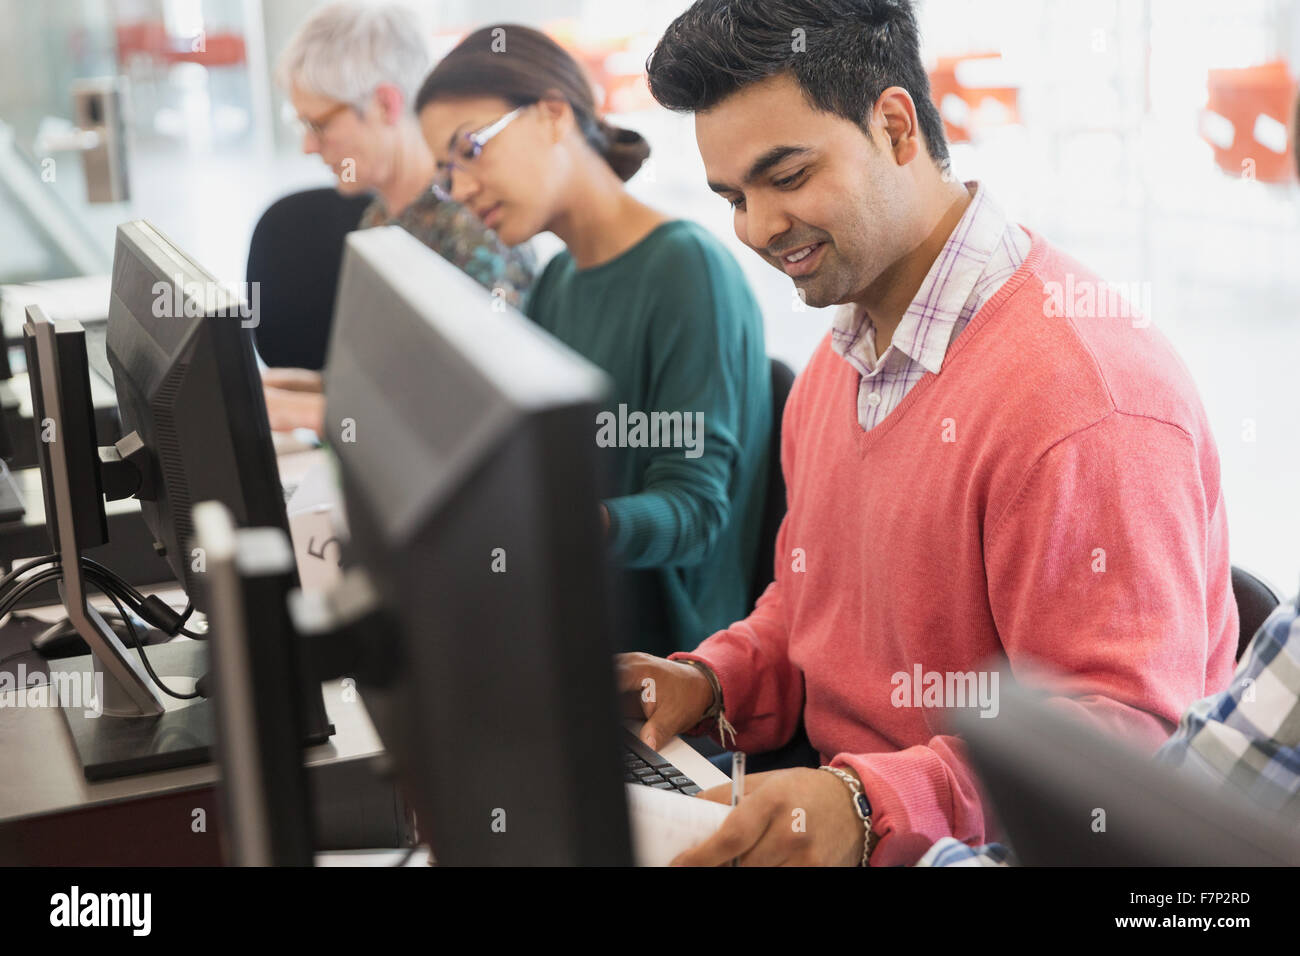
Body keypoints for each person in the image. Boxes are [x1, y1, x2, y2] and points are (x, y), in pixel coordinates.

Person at [619, 0, 1238, 866]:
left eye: (788, 177)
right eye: (734, 198)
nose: (757, 229)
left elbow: (1122, 744)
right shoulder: (846, 353)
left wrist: (866, 805)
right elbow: (812, 606)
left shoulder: (1085, 398)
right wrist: (708, 682)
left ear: (896, 126)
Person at [415, 25, 772, 655]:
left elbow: (696, 514)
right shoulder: (557, 281)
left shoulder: (685, 269)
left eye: (470, 148)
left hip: (666, 670)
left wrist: (568, 525)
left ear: (553, 113)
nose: (462, 189)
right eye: (446, 174)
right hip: (572, 628)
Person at [263, 0, 533, 433]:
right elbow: (394, 387)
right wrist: (298, 390)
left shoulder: (477, 225)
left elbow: (479, 415)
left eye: (318, 125)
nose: (308, 147)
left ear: (386, 104)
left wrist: (309, 414)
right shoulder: (379, 217)